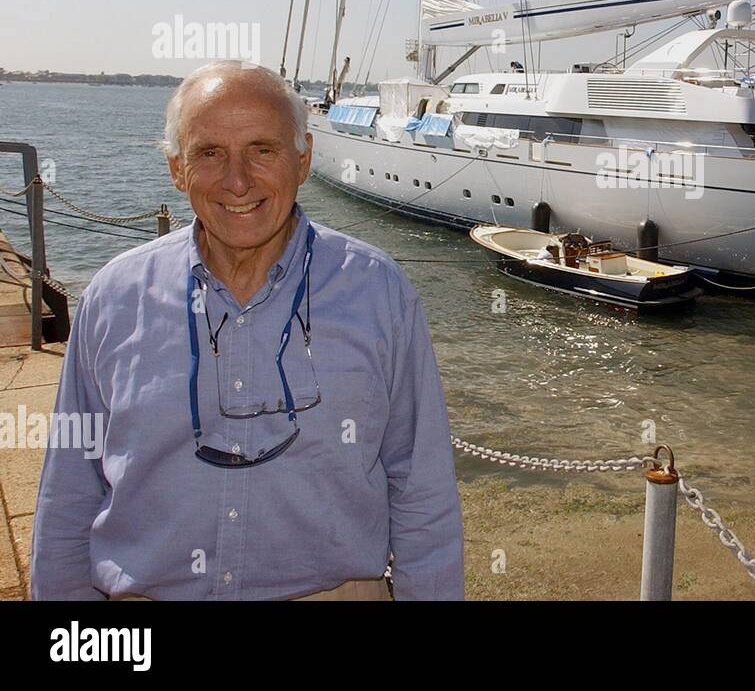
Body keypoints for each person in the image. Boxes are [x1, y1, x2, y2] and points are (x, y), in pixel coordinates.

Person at [30, 61, 464, 600]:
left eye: (263, 150)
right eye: (210, 153)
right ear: (176, 169)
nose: (238, 180)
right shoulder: (114, 300)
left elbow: (422, 492)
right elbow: (69, 493)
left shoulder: (380, 295)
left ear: (303, 159)